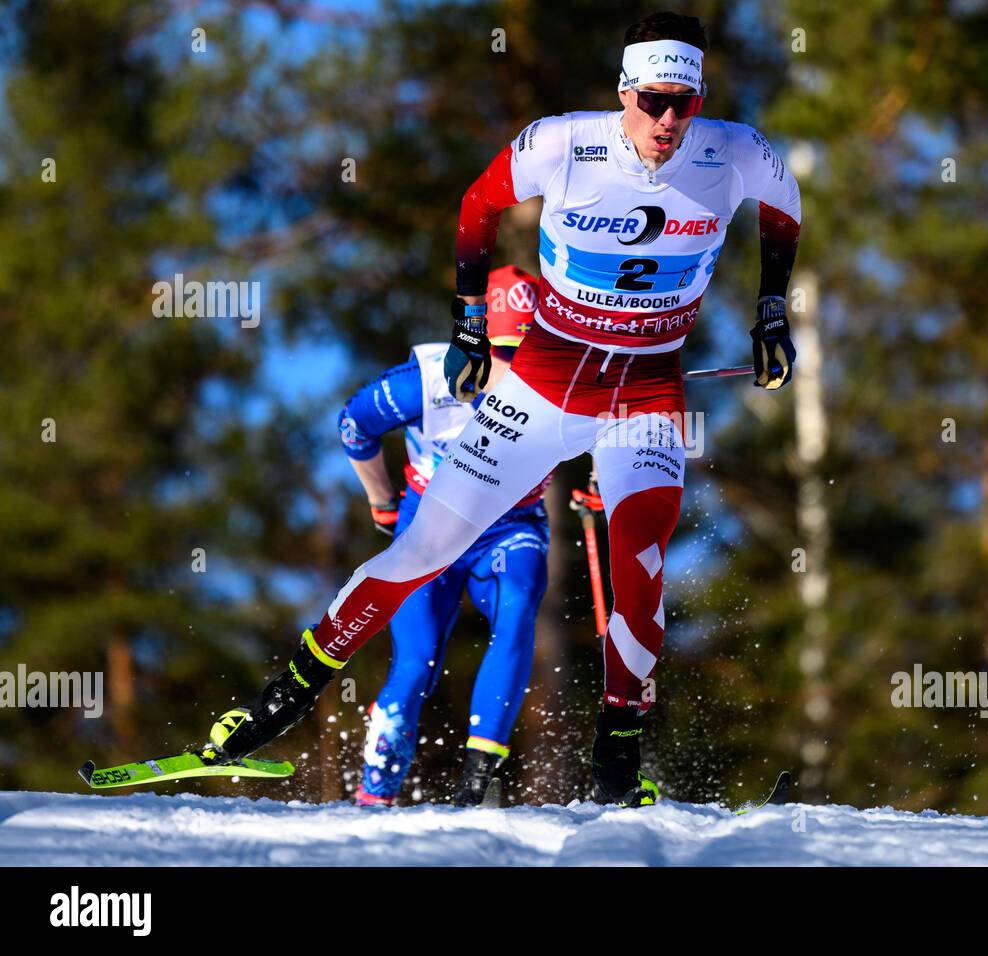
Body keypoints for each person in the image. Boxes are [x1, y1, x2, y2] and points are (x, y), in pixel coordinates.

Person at [200, 11, 801, 808]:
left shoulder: (736, 151)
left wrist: (770, 311)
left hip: (645, 396)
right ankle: (289, 692)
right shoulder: (562, 144)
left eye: (683, 105)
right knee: (423, 550)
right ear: (624, 92)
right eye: (653, 101)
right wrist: (468, 322)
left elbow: (785, 210)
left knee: (639, 563)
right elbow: (477, 206)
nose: (667, 121)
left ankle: (617, 751)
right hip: (541, 388)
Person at [337, 265, 550, 807]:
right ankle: (374, 796)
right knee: (414, 660)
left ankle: (478, 783)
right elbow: (354, 425)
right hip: (427, 527)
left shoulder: (566, 377)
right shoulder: (427, 382)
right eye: (504, 353)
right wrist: (382, 499)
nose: (517, 371)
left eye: (531, 354)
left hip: (509, 527)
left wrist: (601, 482)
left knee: (519, 605)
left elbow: (627, 420)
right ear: (474, 341)